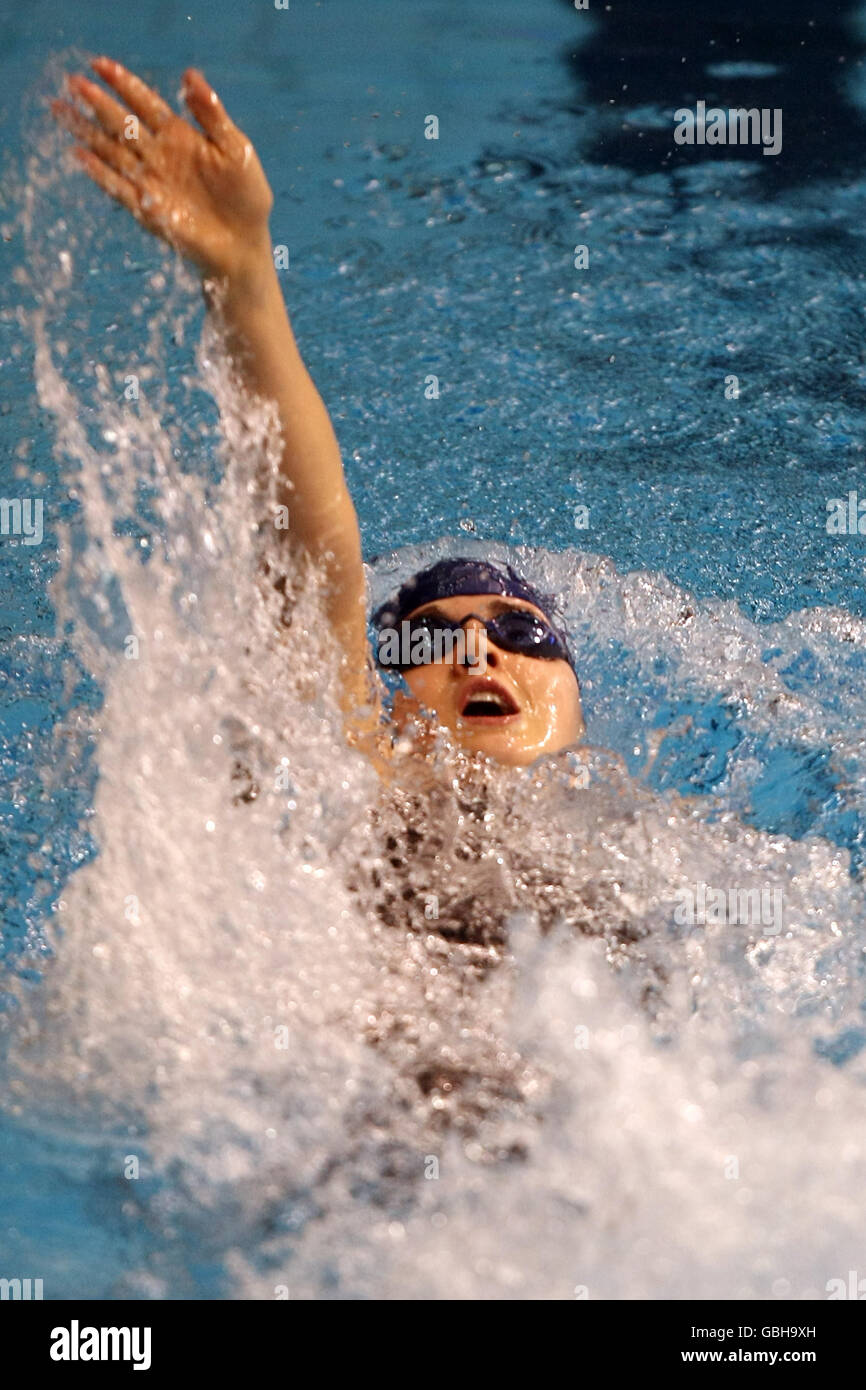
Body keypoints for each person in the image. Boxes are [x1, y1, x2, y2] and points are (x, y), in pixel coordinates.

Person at [52, 57, 585, 770]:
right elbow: (316, 562)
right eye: (422, 642)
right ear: (388, 700)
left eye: (522, 631)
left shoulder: (684, 842)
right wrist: (242, 276)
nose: (476, 650)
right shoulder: (373, 806)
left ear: (579, 691)